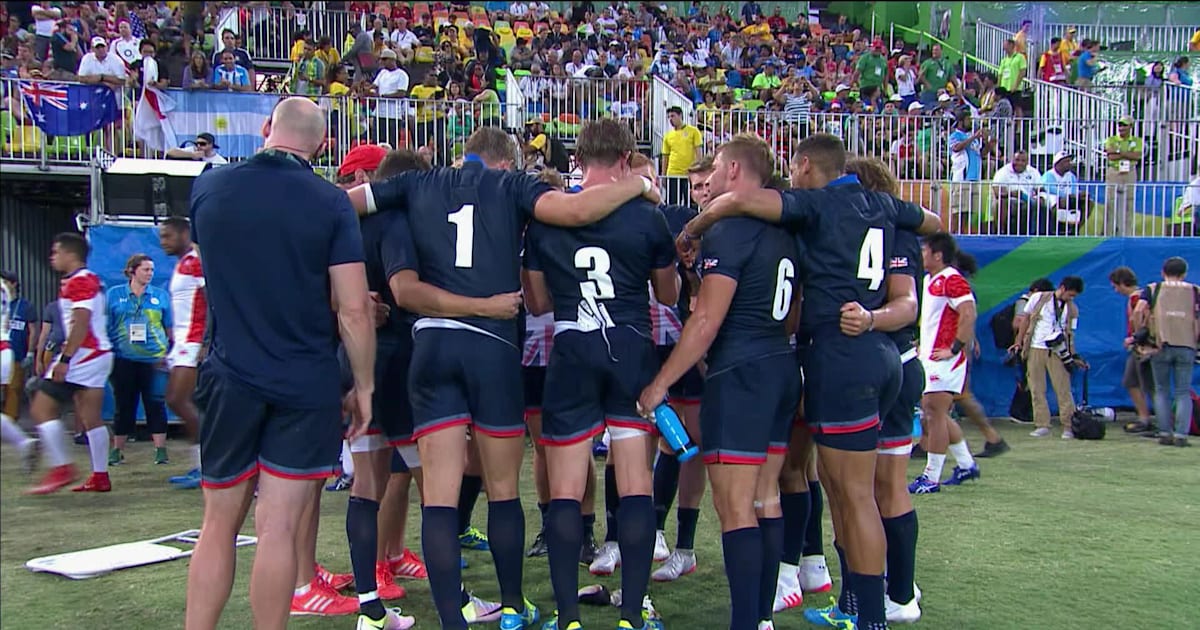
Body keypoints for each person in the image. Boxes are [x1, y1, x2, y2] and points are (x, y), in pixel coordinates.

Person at [344, 126, 661, 630]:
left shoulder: (417, 184)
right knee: (502, 488)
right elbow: (576, 210)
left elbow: (348, 204)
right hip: (493, 344)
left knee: (440, 498)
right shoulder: (513, 187)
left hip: (430, 345)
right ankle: (514, 607)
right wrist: (641, 186)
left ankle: (454, 619)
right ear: (507, 162)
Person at [678, 134, 941, 630]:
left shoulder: (816, 203)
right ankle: (862, 605)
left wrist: (696, 223)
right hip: (886, 353)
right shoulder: (884, 204)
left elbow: (742, 198)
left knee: (853, 494)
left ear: (802, 167)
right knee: (852, 491)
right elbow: (933, 222)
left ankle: (870, 616)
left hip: (841, 353)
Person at [183, 98, 378, 630]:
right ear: (320, 145)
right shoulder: (331, 203)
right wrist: (364, 386)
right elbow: (355, 309)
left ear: (267, 128)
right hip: (304, 379)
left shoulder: (210, 187)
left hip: (229, 371)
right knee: (278, 526)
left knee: (218, 524)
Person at [523, 119, 678, 630]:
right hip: (631, 345)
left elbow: (539, 302)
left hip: (571, 344)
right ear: (627, 157)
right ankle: (632, 613)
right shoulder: (647, 216)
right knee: (635, 484)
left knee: (566, 488)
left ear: (578, 158)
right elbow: (670, 295)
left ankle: (567, 616)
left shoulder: (548, 216)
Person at [638, 134, 798, 630]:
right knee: (766, 497)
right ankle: (763, 618)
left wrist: (660, 383)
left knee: (735, 509)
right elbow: (794, 316)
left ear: (732, 172)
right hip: (781, 368)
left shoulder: (730, 232)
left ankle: (746, 622)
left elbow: (704, 321)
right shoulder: (788, 229)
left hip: (741, 374)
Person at [334, 144, 422, 630]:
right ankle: (459, 596)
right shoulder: (397, 224)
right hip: (397, 362)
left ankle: (369, 605)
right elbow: (404, 290)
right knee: (438, 484)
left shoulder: (346, 223)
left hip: (355, 358)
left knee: (366, 485)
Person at [840, 156, 924, 623]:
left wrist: (869, 320)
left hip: (889, 362)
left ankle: (899, 593)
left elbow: (905, 303)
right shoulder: (891, 225)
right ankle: (879, 592)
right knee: (862, 487)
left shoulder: (892, 230)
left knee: (878, 487)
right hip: (880, 364)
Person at [648, 156, 712, 582]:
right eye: (695, 187)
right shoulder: (683, 226)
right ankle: (654, 532)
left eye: (706, 184)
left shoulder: (730, 232)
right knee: (674, 443)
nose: (701, 193)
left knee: (696, 445)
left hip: (719, 356)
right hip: (677, 349)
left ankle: (685, 544)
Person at [26, 232, 115, 495]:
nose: (52, 258)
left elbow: (82, 320)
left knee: (41, 408)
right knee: (90, 416)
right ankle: (100, 476)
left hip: (84, 354)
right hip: (98, 354)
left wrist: (64, 359)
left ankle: (62, 467)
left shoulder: (80, 281)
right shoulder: (88, 280)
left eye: (56, 252)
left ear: (70, 254)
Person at [908, 233, 979, 495]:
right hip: (931, 355)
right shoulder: (929, 280)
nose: (921, 255)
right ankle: (966, 464)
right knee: (934, 412)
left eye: (925, 250)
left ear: (938, 255)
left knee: (933, 411)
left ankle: (931, 477)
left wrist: (955, 347)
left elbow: (968, 312)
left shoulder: (952, 279)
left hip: (946, 359)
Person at [105, 253, 172, 466]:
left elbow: (169, 327)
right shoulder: (114, 295)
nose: (150, 274)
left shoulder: (160, 296)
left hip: (154, 359)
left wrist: (171, 352)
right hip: (123, 359)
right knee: (124, 405)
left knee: (155, 404)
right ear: (132, 271)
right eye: (146, 269)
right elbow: (106, 325)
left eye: (152, 270)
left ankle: (161, 450)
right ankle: (117, 450)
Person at [158, 217, 206, 488]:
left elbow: (211, 299)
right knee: (188, 402)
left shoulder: (196, 261)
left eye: (168, 236)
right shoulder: (183, 264)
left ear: (185, 233)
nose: (163, 242)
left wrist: (206, 342)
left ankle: (206, 465)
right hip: (183, 344)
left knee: (178, 399)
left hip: (194, 342)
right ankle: (201, 464)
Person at [1134, 256, 1198, 448]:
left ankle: (1164, 432)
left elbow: (1138, 310)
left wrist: (1141, 335)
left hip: (1159, 344)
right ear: (1184, 273)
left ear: (1163, 272)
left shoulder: (1153, 289)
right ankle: (1180, 434)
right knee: (1183, 391)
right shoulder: (1194, 290)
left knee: (1161, 390)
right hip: (1186, 344)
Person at [1010, 276, 1084, 439]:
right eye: (1070, 295)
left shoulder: (1072, 309)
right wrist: (1019, 341)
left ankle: (1068, 426)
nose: (1071, 299)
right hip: (1036, 347)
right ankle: (1042, 424)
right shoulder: (1039, 298)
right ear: (1062, 288)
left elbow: (1072, 334)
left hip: (1058, 350)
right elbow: (1026, 319)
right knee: (1036, 388)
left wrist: (1073, 354)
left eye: (1074, 296)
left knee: (1063, 389)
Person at [1108, 266, 1155, 434]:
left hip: (1141, 347)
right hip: (1139, 346)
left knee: (1146, 384)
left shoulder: (1137, 299)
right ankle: (1145, 417)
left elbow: (1143, 322)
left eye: (1115, 286)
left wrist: (1135, 339)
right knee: (1133, 382)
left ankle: (1152, 419)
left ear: (1122, 283)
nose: (1115, 290)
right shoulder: (1139, 297)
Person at [1, 273, 38, 467]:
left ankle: (15, 432)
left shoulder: (23, 305)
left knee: (13, 391)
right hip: (5, 349)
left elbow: (32, 330)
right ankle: (19, 438)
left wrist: (30, 352)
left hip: (10, 352)